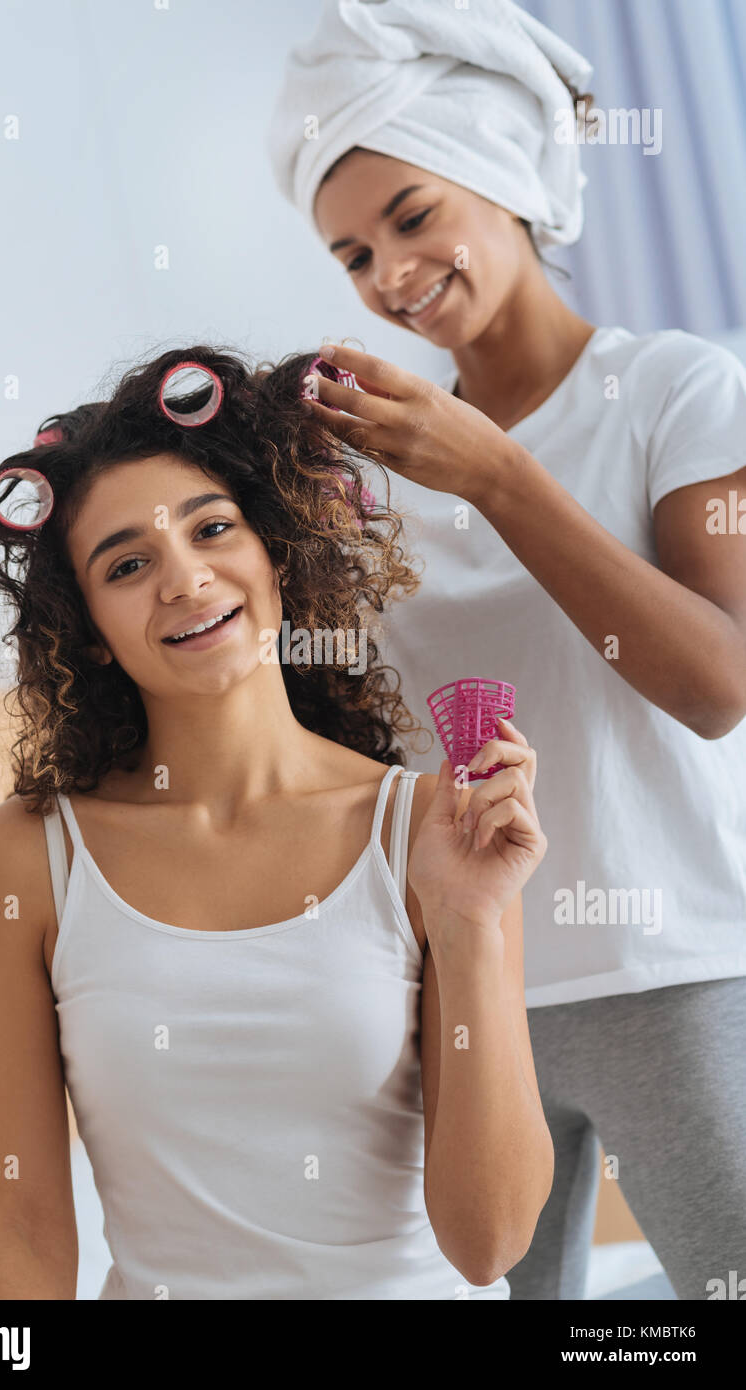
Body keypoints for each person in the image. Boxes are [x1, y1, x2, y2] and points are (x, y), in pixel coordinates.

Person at [267, 0, 746, 1300]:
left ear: (506, 174)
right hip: (475, 981)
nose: (387, 274)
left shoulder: (676, 391)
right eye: (351, 251)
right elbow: (355, 743)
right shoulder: (377, 462)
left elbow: (714, 683)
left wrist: (495, 475)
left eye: (412, 214)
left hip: (676, 961)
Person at [0, 343, 551, 1300]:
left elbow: (489, 1246)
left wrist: (470, 922)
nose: (185, 580)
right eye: (128, 564)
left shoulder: (432, 829)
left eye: (213, 528)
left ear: (274, 550)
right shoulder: (25, 858)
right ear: (90, 635)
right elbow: (21, 1226)